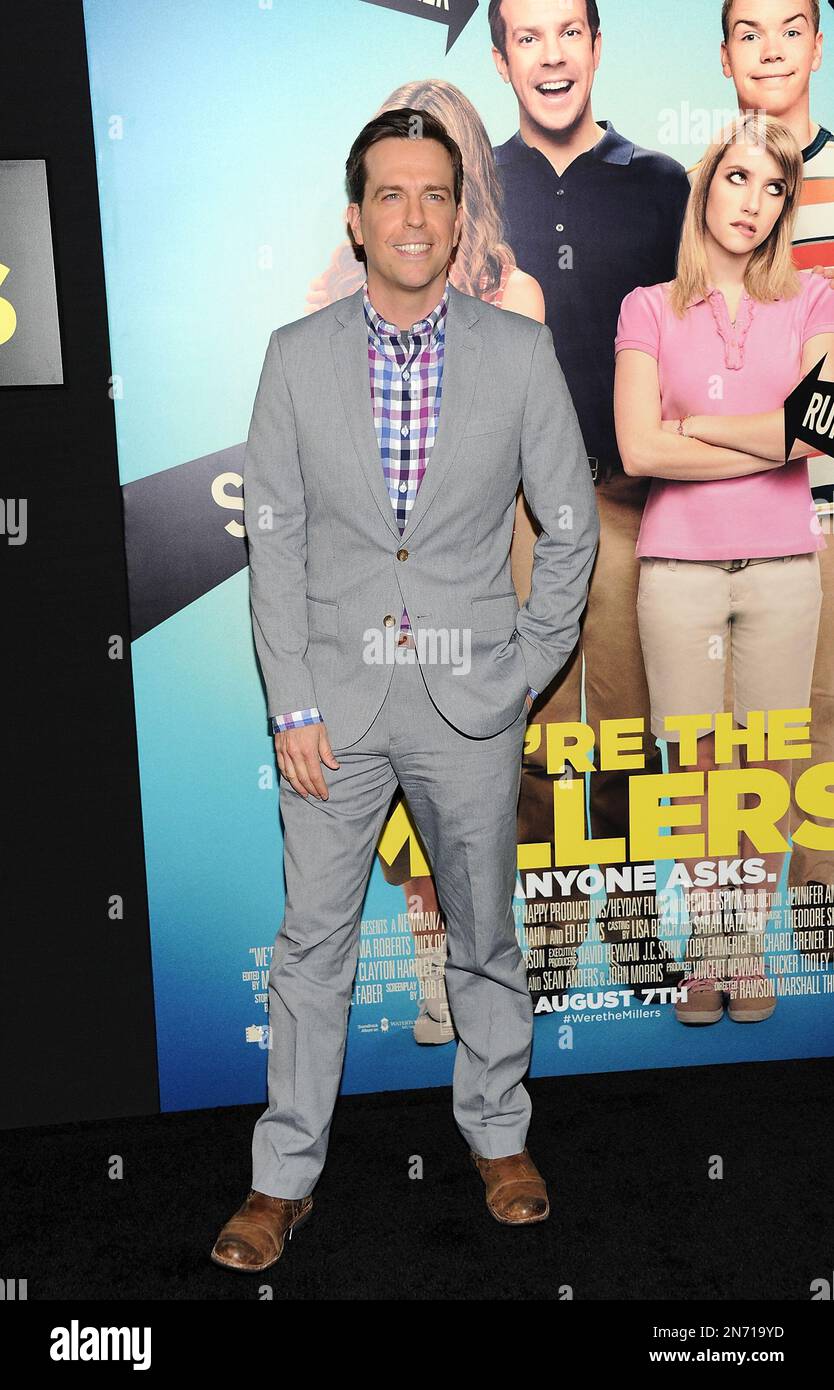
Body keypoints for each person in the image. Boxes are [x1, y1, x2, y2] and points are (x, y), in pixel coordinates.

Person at [211, 107, 599, 1271]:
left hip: (471, 702)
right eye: (392, 195)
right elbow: (273, 544)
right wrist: (291, 705)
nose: (416, 216)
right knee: (310, 946)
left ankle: (497, 1137)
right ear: (356, 214)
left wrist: (523, 673)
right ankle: (282, 1179)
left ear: (460, 211)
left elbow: (570, 529)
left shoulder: (519, 353)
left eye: (436, 194)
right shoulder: (295, 354)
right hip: (332, 709)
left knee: (483, 936)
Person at [302, 77, 546, 1048]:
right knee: (398, 797)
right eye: (394, 178)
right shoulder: (330, 293)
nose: (414, 203)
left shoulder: (515, 291)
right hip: (370, 587)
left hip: (485, 577)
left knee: (481, 797)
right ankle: (433, 968)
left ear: (466, 176)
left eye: (436, 168)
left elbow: (531, 458)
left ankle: (491, 974)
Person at [488, 0, 692, 996]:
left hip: (620, 499)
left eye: (569, 30)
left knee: (622, 728)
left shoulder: (660, 184)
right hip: (510, 510)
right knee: (532, 732)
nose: (552, 53)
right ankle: (555, 933)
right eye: (528, 35)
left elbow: (695, 333)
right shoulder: (472, 181)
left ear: (597, 47)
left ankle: (632, 922)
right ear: (500, 58)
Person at [614, 113, 834, 1026]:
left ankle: (751, 945)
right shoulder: (647, 306)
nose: (753, 202)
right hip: (679, 571)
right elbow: (636, 447)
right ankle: (717, 952)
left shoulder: (814, 298)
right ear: (707, 187)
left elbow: (819, 428)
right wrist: (768, 438)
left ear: (786, 206)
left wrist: (695, 431)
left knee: (772, 769)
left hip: (786, 566)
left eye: (774, 187)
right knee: (700, 769)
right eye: (738, 179)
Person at [717, 0, 834, 948]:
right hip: (714, 522)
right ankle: (739, 931)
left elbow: (822, 410)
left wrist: (698, 433)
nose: (770, 49)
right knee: (733, 737)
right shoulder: (705, 187)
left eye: (790, 28)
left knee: (826, 715)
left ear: (819, 46)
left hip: (825, 509)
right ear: (723, 55)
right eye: (749, 31)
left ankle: (819, 907)